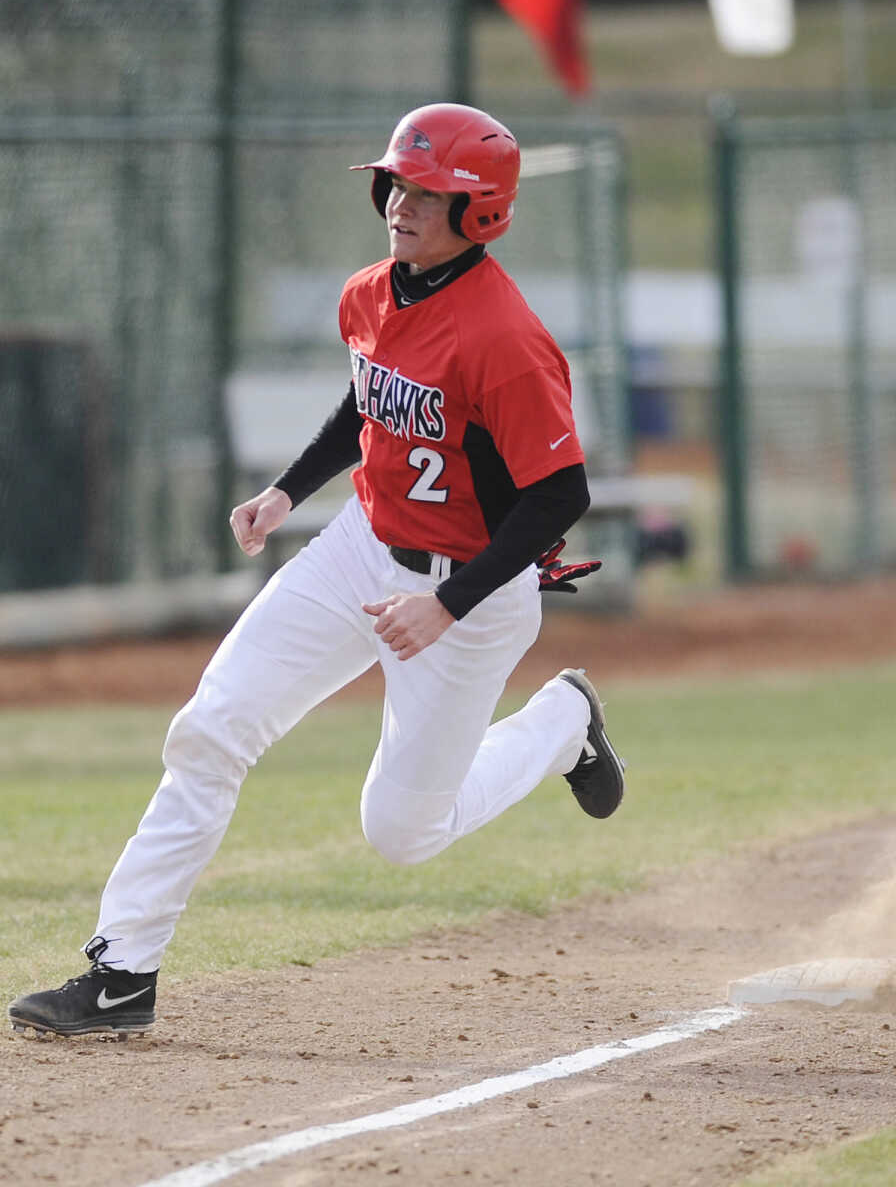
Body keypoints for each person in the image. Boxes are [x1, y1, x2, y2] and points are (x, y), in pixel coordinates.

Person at [8, 103, 625, 1039]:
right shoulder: (370, 293)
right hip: (358, 547)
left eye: (429, 192)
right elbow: (365, 405)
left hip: (473, 590)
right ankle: (122, 972)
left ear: (481, 212)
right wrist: (288, 492)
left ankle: (563, 721)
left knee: (402, 833)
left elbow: (559, 495)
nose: (401, 203)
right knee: (212, 727)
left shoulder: (505, 337)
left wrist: (449, 607)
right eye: (398, 184)